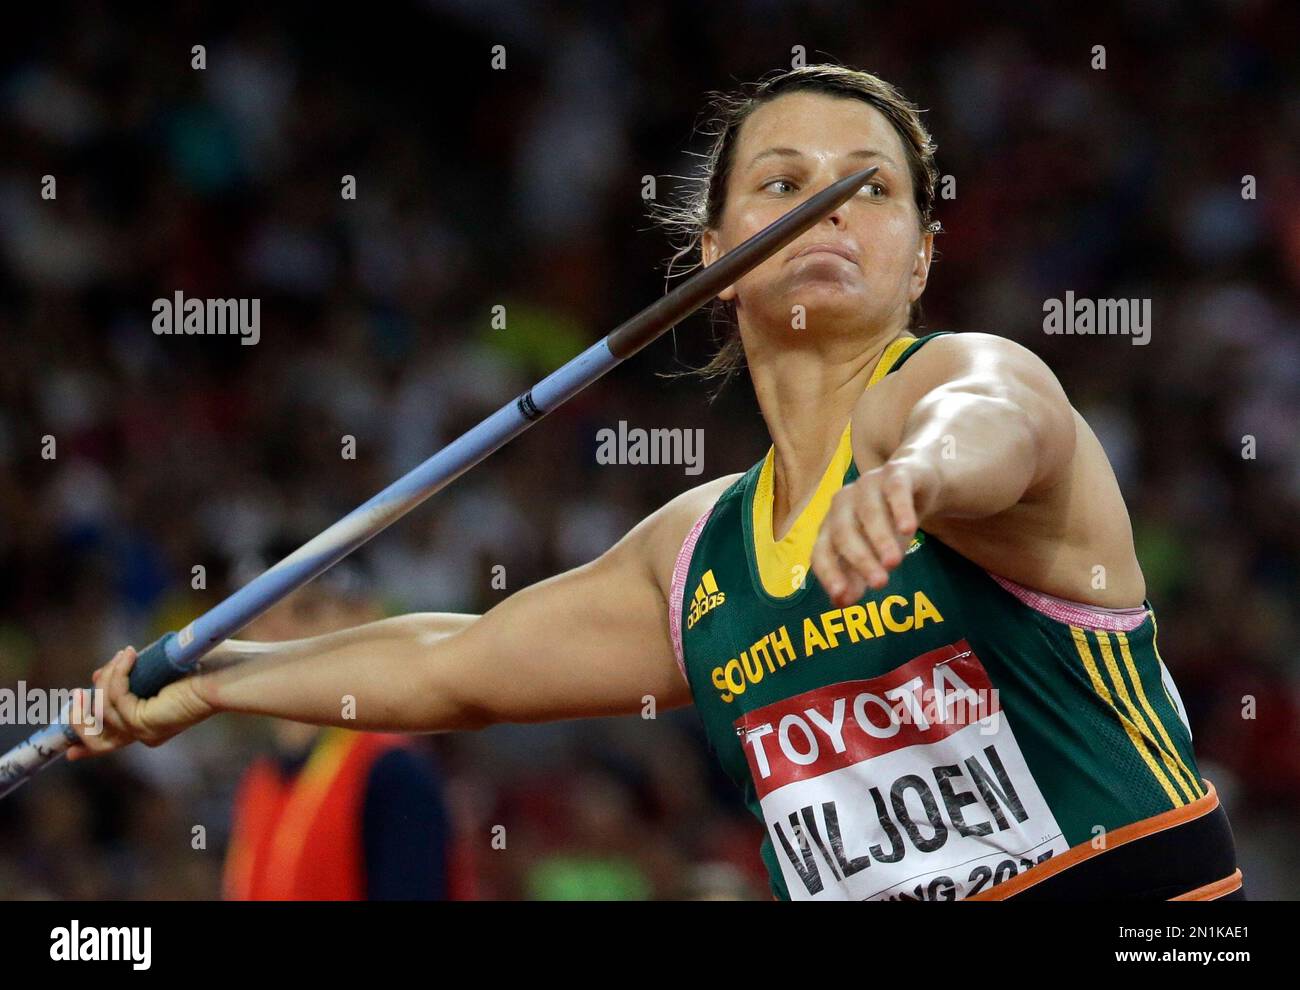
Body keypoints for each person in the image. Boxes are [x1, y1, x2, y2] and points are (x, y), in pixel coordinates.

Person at [69, 64, 1243, 901]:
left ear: (923, 254)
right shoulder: (697, 553)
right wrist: (224, 679)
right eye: (782, 184)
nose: (830, 205)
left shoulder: (951, 385)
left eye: (872, 187)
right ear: (712, 255)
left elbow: (999, 423)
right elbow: (456, 665)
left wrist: (919, 481)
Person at [220, 550, 458, 901]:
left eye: (306, 612)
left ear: (364, 619)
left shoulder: (393, 773)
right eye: (259, 616)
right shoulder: (257, 782)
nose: (274, 634)